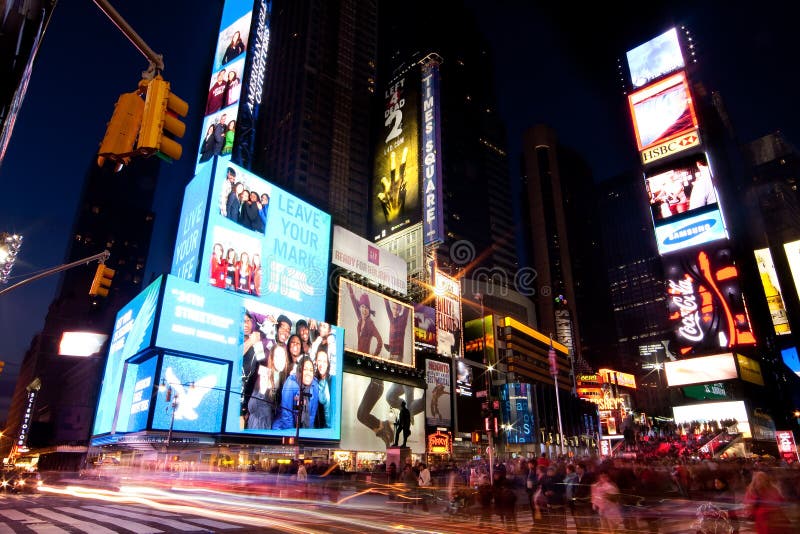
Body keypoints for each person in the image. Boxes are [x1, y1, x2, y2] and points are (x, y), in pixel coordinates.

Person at [273, 355, 319, 430]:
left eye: (311, 370)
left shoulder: (315, 386)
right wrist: (293, 438)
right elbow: (287, 416)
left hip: (301, 429)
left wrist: (307, 436)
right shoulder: (290, 384)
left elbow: (311, 416)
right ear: (300, 370)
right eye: (305, 369)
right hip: (283, 428)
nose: (308, 373)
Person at [347, 283, 383, 356]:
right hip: (357, 354)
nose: (364, 310)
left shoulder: (370, 324)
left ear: (369, 310)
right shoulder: (360, 318)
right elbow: (353, 299)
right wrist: (349, 287)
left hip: (365, 357)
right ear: (360, 307)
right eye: (363, 307)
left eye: (367, 308)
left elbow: (380, 341)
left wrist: (374, 356)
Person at [313, 345, 332, 428]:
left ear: (328, 363)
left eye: (324, 361)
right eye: (319, 361)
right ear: (316, 362)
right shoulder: (313, 380)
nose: (321, 364)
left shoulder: (332, 380)